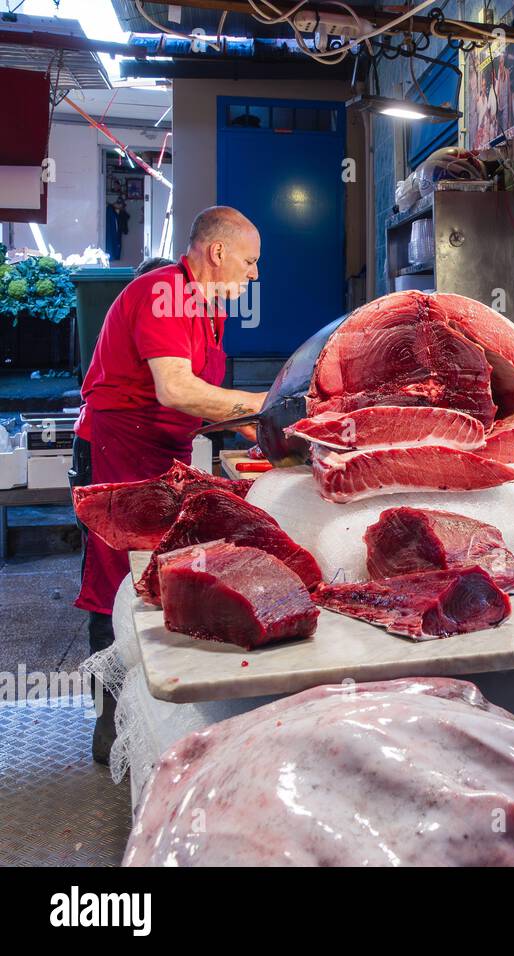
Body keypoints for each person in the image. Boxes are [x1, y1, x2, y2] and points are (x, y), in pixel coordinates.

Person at [70, 206, 267, 762]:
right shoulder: (164, 292)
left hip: (161, 453)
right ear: (219, 252)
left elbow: (206, 400)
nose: (254, 276)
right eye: (249, 262)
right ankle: (112, 730)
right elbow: (177, 390)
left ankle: (155, 715)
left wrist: (269, 432)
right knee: (114, 582)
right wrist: (267, 404)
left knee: (152, 577)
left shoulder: (206, 309)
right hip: (117, 453)